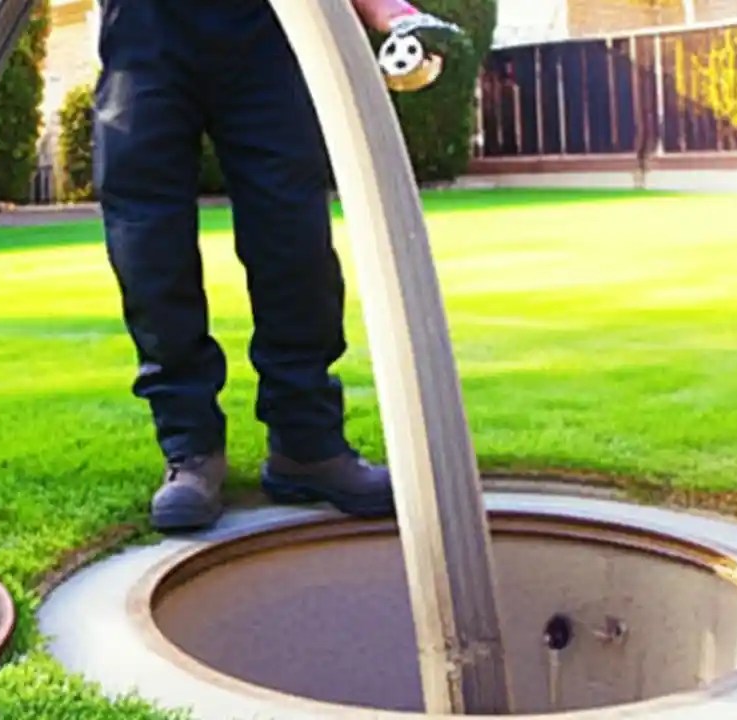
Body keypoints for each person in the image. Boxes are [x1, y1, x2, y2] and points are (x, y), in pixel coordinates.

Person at [91, 0, 463, 531]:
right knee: (149, 244)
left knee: (294, 236)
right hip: (145, 31)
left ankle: (305, 444)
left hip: (270, 27)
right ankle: (190, 448)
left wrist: (393, 13)